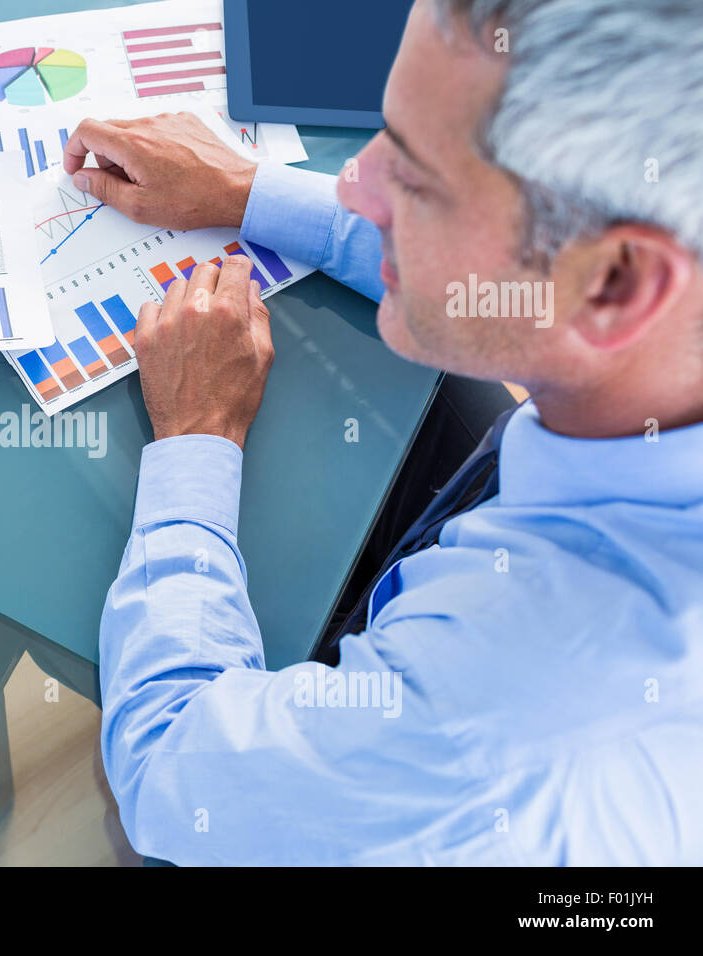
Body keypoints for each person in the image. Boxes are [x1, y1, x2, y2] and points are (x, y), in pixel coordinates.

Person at [75, 0, 703, 864]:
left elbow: (170, 768)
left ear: (618, 285)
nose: (353, 184)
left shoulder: (478, 730)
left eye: (416, 173)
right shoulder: (662, 327)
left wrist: (197, 436)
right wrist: (247, 190)